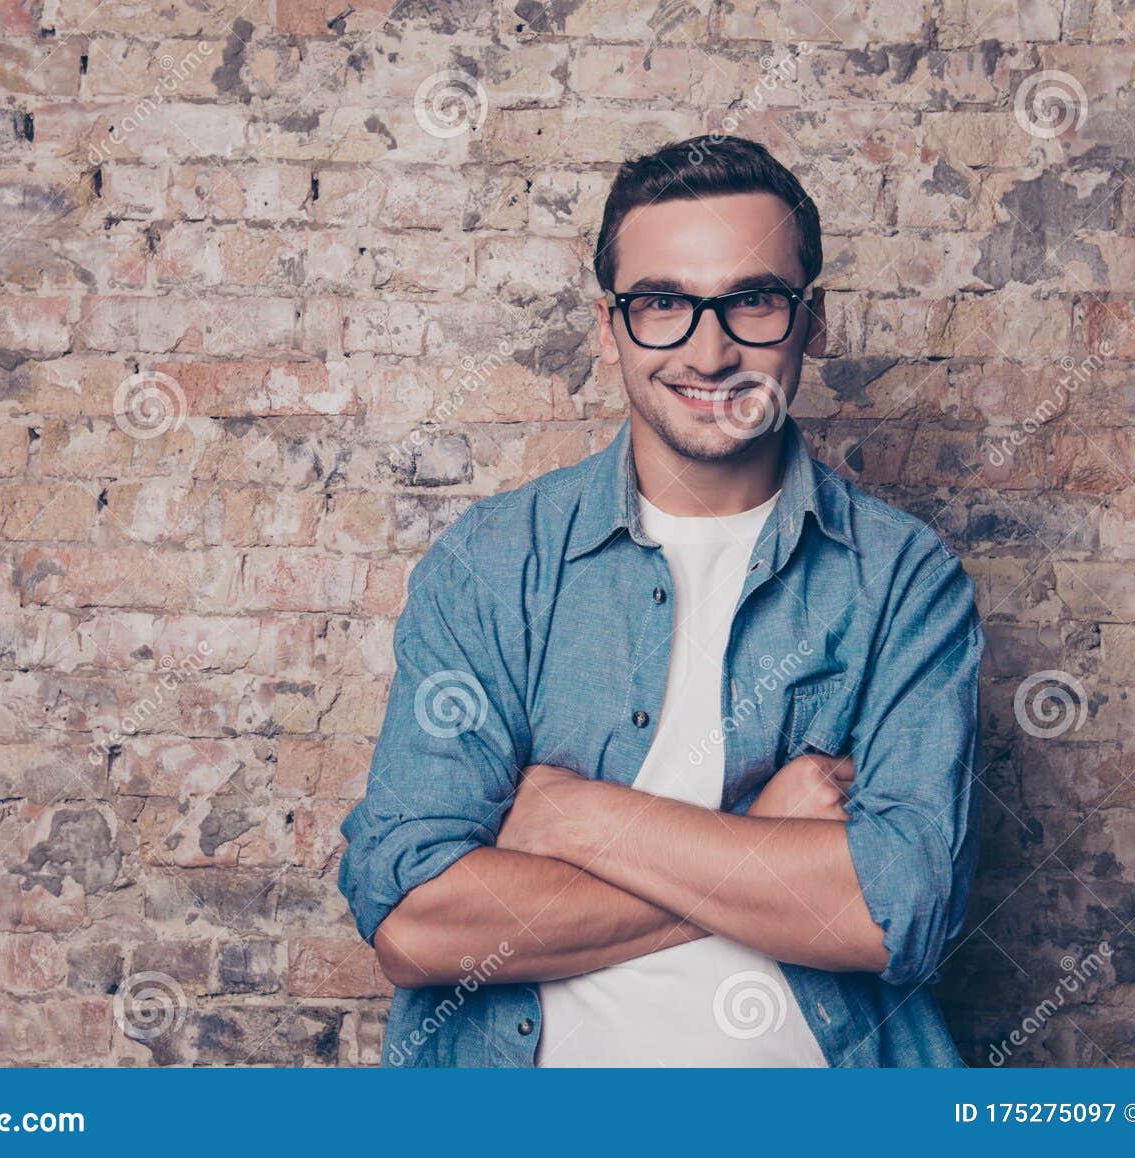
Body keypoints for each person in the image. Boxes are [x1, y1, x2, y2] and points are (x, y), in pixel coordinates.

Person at [338, 134, 985, 1067]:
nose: (710, 352)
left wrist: (579, 818)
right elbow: (416, 926)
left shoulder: (902, 579)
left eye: (753, 300)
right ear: (609, 327)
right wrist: (759, 842)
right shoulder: (494, 564)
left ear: (813, 321)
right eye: (663, 304)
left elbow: (898, 912)